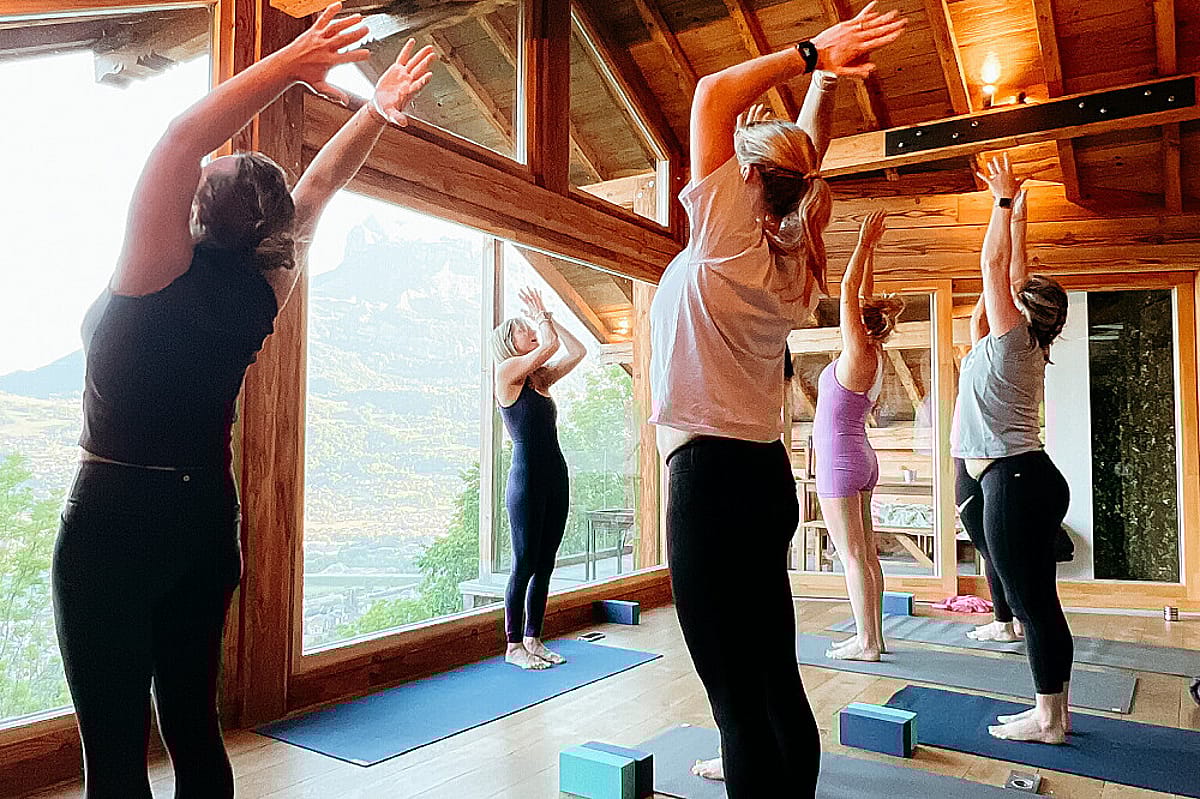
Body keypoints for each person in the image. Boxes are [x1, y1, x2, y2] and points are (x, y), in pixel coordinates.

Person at [51, 8, 436, 796]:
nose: (197, 167)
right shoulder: (265, 285)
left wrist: (291, 63)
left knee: (115, 756)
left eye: (207, 174)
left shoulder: (155, 267)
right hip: (203, 519)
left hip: (115, 517)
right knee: (194, 731)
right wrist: (374, 109)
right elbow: (318, 187)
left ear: (197, 210)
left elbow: (178, 139)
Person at [648, 4, 906, 795]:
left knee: (737, 706)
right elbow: (801, 163)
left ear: (750, 181)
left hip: (710, 485)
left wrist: (810, 52)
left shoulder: (727, 239)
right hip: (761, 481)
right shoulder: (791, 252)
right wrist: (823, 82)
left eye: (738, 163)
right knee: (775, 682)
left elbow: (711, 95)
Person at [951, 154, 1072, 743]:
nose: (1004, 296)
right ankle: (1052, 713)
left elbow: (994, 266)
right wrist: (1019, 220)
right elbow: (1012, 271)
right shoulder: (1020, 343)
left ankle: (1050, 719)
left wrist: (999, 201)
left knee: (1034, 606)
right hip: (1022, 479)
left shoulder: (1011, 342)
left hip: (1016, 481)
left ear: (1021, 312)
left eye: (1014, 297)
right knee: (1036, 601)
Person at [815, 210, 904, 662]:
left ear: (858, 325)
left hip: (840, 461)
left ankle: (866, 642)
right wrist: (872, 252)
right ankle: (874, 637)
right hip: (860, 458)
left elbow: (850, 291)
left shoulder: (858, 354)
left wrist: (864, 242)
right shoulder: (875, 354)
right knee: (866, 554)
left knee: (851, 556)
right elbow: (862, 294)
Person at [492, 287, 587, 669]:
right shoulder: (506, 374)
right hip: (527, 479)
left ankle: (533, 638)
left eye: (530, 327)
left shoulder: (541, 380)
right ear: (507, 342)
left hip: (555, 475)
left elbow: (578, 350)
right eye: (522, 329)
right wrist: (543, 318)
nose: (530, 331)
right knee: (525, 562)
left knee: (546, 561)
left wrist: (551, 318)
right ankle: (513, 645)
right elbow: (548, 346)